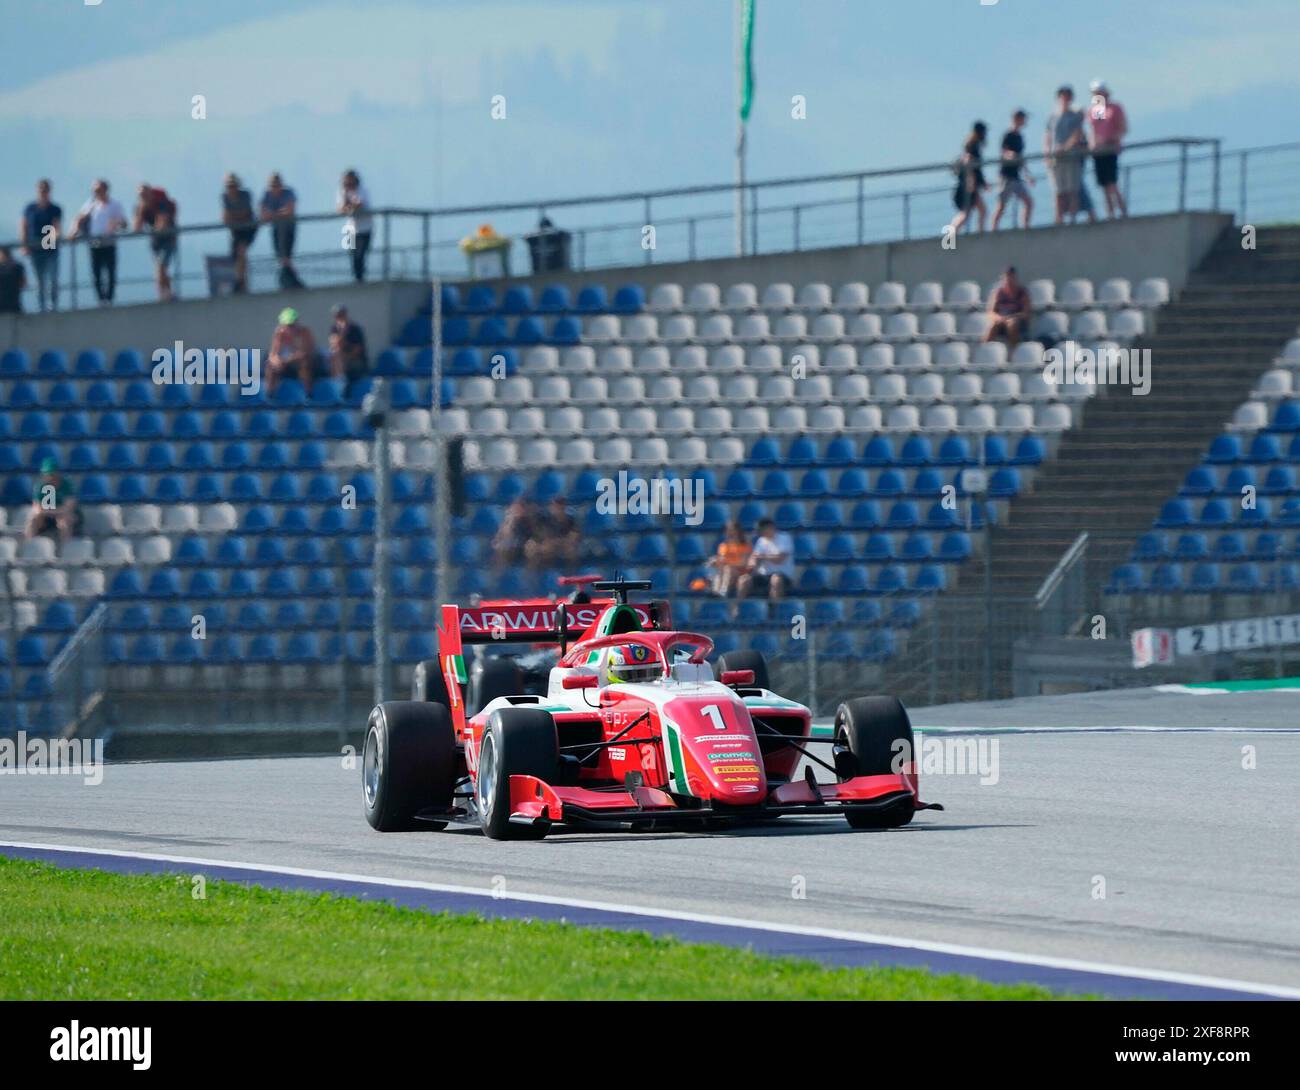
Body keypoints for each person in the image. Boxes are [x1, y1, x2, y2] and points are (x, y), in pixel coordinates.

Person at [68, 179, 126, 303]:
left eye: (98, 190)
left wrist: (116, 224)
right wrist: (74, 230)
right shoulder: (90, 204)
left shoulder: (115, 204)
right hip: (94, 243)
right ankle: (100, 299)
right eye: (94, 190)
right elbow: (79, 217)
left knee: (110, 272)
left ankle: (109, 298)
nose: (96, 192)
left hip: (109, 243)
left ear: (105, 190)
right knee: (96, 273)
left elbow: (124, 223)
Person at [1044, 86, 1086, 224]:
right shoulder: (1052, 117)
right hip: (1056, 160)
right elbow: (1048, 137)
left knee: (1072, 190)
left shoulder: (1075, 115)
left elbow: (1078, 134)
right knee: (1058, 192)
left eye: (1068, 96)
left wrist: (1065, 147)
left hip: (1072, 158)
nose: (1065, 99)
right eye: (1063, 96)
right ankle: (1059, 220)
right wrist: (1047, 155)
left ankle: (1072, 219)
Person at [1088, 79, 1129, 219]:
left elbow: (1122, 128)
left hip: (1110, 149)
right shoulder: (1097, 109)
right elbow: (1096, 128)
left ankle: (1122, 211)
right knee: (1104, 184)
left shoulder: (1115, 108)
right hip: (1098, 151)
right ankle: (1110, 213)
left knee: (1112, 182)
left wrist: (1112, 139)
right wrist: (1094, 142)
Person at [19, 179, 62, 312]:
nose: (43, 192)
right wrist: (24, 245)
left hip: (50, 250)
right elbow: (24, 226)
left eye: (46, 190)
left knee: (52, 280)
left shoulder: (55, 209)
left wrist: (51, 240)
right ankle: (41, 307)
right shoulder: (30, 209)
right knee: (39, 281)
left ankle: (52, 306)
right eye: (41, 190)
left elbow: (56, 227)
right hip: (35, 249)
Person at [133, 183, 178, 302]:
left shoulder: (162, 203)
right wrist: (141, 212)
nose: (143, 196)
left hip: (168, 239)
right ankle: (169, 294)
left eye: (144, 193)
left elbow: (162, 223)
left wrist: (155, 228)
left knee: (160, 266)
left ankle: (161, 296)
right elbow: (137, 228)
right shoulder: (140, 207)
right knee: (162, 268)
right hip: (155, 242)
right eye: (140, 195)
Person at [991, 110, 1035, 230]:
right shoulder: (1008, 135)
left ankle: (1025, 226)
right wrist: (1012, 155)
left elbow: (1021, 158)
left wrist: (1027, 175)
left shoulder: (1020, 137)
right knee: (1001, 206)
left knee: (1028, 202)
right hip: (1006, 176)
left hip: (1016, 176)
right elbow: (1004, 152)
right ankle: (993, 229)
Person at [260, 173, 303, 289]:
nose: (275, 188)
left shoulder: (288, 193)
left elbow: (290, 210)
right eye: (273, 185)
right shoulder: (267, 195)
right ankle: (291, 279)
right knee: (281, 257)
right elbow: (263, 215)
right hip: (276, 229)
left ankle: (290, 279)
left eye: (277, 185)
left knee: (286, 255)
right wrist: (279, 214)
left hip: (289, 228)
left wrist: (273, 215)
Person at [26, 458, 80, 545]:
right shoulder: (40, 486)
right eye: (47, 474)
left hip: (63, 516)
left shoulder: (67, 485)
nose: (50, 477)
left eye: (51, 474)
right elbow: (37, 509)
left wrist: (48, 511)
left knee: (64, 522)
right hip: (47, 516)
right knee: (33, 520)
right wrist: (53, 511)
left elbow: (68, 508)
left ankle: (65, 548)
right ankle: (30, 545)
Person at [738, 518, 795, 600]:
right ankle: (738, 607)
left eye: (761, 530)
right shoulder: (761, 541)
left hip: (783, 576)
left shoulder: (785, 538)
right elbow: (755, 557)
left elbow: (780, 559)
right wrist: (752, 562)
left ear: (770, 527)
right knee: (744, 579)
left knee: (776, 579)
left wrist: (763, 556)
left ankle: (774, 608)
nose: (760, 533)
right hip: (764, 576)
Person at [265, 307, 318, 395]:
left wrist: (286, 360)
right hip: (285, 364)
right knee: (270, 367)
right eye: (287, 325)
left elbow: (305, 353)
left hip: (300, 363)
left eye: (292, 325)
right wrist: (276, 361)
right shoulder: (279, 334)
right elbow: (273, 354)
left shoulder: (304, 332)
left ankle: (308, 394)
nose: (290, 328)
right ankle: (270, 393)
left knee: (305, 365)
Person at [221, 172, 258, 292]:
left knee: (242, 250)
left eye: (233, 185)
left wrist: (234, 217)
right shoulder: (225, 197)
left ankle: (242, 282)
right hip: (236, 230)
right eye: (229, 186)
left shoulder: (245, 195)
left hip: (248, 228)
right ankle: (239, 281)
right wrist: (234, 218)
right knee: (236, 256)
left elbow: (246, 213)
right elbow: (225, 218)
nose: (231, 188)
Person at [950, 122, 989, 233]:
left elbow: (977, 168)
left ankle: (980, 233)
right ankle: (950, 234)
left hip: (973, 184)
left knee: (982, 210)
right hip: (969, 185)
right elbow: (968, 162)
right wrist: (970, 180)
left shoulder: (974, 145)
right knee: (965, 214)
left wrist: (983, 182)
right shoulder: (972, 146)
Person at [984, 265, 1032, 351]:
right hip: (1002, 320)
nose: (1009, 279)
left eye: (1011, 276)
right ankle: (985, 350)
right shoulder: (998, 292)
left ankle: (1013, 352)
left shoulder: (1022, 292)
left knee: (1012, 324)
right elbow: (990, 312)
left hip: (1017, 321)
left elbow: (1026, 313)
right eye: (1007, 277)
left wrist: (1013, 317)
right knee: (993, 326)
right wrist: (998, 318)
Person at [337, 170, 372, 282]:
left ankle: (360, 278)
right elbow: (340, 209)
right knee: (352, 255)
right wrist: (346, 200)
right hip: (350, 229)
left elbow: (359, 204)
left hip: (364, 229)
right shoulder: (342, 192)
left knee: (360, 255)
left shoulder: (362, 191)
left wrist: (349, 206)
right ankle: (356, 278)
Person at [525, 498, 580, 569]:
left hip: (563, 545)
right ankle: (534, 574)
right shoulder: (545, 519)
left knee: (571, 550)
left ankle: (570, 574)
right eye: (555, 506)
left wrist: (555, 542)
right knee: (531, 547)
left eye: (560, 506)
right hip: (548, 545)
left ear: (564, 507)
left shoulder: (571, 520)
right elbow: (540, 535)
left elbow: (573, 538)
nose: (557, 509)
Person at [328, 304, 370, 392]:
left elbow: (357, 350)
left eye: (341, 315)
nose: (339, 318)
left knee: (339, 357)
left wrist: (344, 333)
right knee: (333, 356)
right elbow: (334, 344)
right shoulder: (334, 329)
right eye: (337, 316)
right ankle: (337, 383)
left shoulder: (355, 329)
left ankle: (342, 382)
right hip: (340, 360)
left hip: (356, 362)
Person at [708, 521, 752, 597]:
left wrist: (725, 562)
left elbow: (743, 563)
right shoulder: (723, 546)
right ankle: (715, 592)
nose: (729, 533)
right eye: (727, 530)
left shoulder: (745, 546)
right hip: (725, 572)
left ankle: (722, 592)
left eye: (732, 530)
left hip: (741, 572)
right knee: (718, 568)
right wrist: (715, 561)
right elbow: (721, 560)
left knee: (728, 568)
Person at [493, 498, 538, 568]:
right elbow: (501, 535)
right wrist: (510, 520)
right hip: (510, 544)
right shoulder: (508, 521)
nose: (516, 510)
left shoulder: (529, 521)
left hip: (522, 546)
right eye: (515, 508)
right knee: (501, 549)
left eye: (519, 508)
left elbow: (531, 535)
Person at [0, 246, 27, 314]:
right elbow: (23, 284)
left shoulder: (17, 267)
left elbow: (23, 284)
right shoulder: (18, 267)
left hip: (11, 305)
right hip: (14, 305)